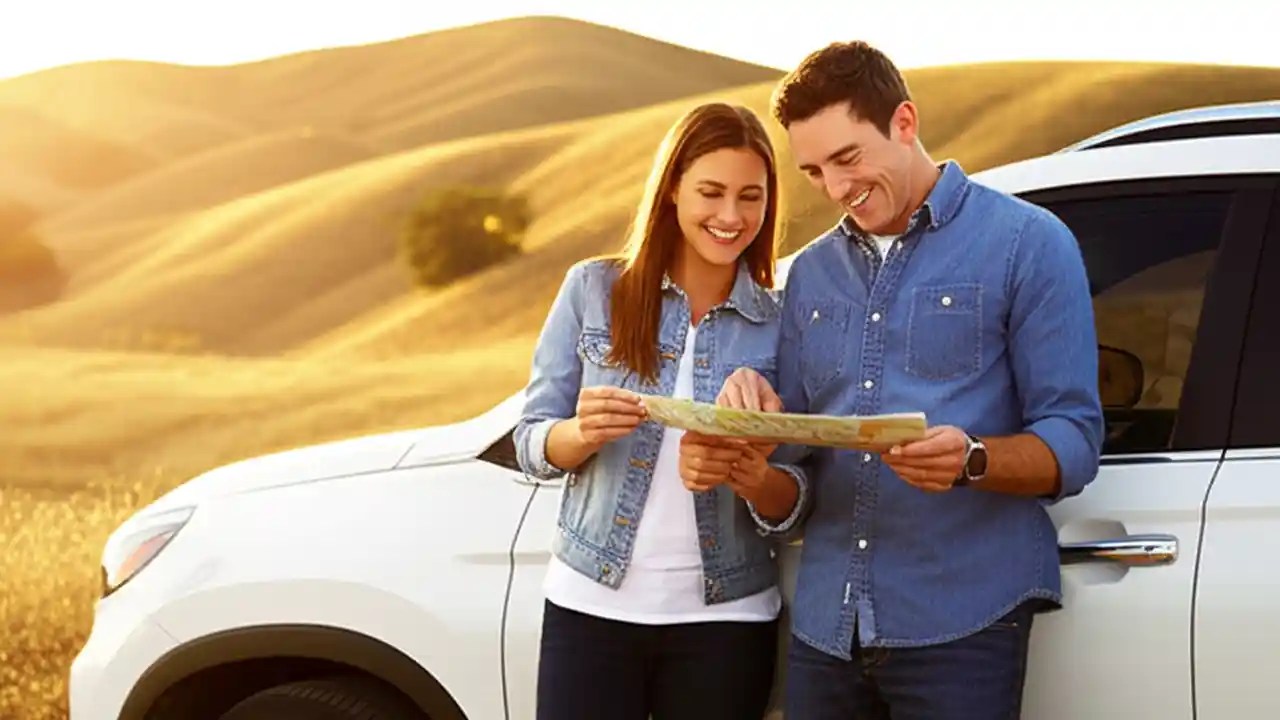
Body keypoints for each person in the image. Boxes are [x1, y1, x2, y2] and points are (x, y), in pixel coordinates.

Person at [687, 41, 1105, 719]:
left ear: (905, 122)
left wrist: (971, 459)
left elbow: (1075, 442)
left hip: (964, 624)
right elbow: (793, 482)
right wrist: (750, 461)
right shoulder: (811, 276)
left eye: (848, 158)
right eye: (815, 171)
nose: (836, 188)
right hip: (826, 630)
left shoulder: (1030, 243)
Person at [513, 101, 803, 720]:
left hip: (727, 622)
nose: (731, 216)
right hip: (590, 609)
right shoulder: (594, 290)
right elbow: (532, 441)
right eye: (712, 192)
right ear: (672, 188)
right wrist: (580, 434)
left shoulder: (783, 326)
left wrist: (752, 478)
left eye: (750, 197)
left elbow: (798, 498)